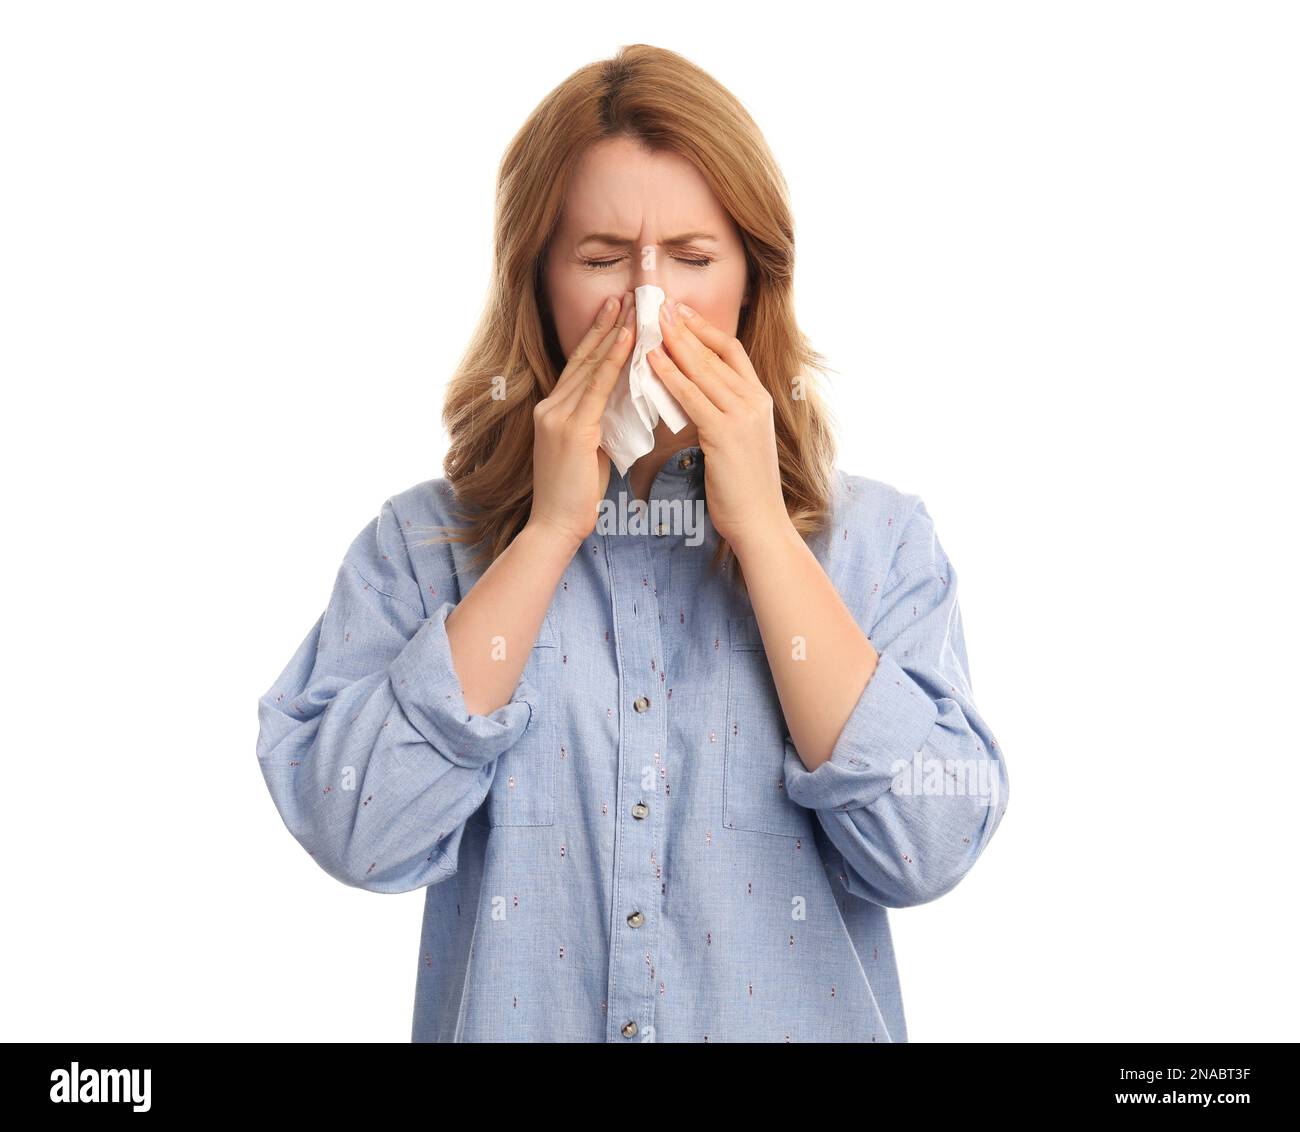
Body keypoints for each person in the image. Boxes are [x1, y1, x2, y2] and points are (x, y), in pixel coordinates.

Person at [255, 43, 1009, 1043]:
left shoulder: (876, 543)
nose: (647, 304)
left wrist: (764, 535)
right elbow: (356, 830)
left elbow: (930, 843)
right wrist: (549, 530)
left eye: (692, 259)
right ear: (537, 282)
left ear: (751, 279)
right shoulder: (421, 544)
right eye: (604, 259)